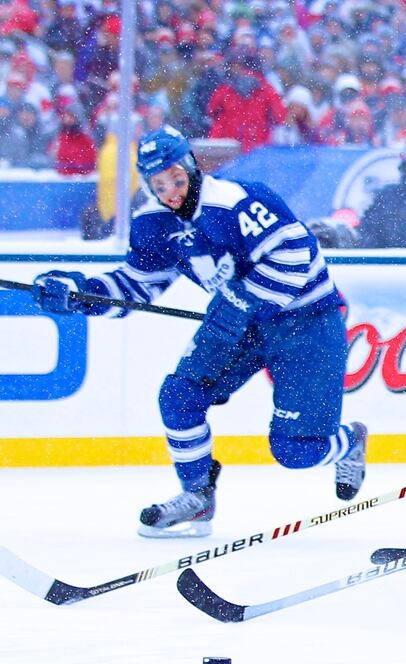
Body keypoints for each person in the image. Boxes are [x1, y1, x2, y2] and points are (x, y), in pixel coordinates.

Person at [29, 126, 368, 538]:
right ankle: (197, 496)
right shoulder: (153, 223)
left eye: (175, 179)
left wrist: (243, 302)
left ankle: (349, 441)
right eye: (158, 185)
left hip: (307, 323)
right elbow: (137, 286)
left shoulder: (239, 200)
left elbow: (296, 253)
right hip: (239, 326)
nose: (170, 192)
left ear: (190, 166)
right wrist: (81, 293)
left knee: (297, 452)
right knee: (179, 397)